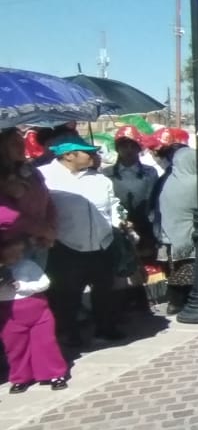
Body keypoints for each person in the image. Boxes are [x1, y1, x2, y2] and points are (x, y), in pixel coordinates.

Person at [39, 133, 123, 345]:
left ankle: (105, 328)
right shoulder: (43, 177)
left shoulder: (100, 178)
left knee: (104, 290)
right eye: (87, 152)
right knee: (68, 295)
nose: (92, 156)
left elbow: (113, 205)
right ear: (69, 155)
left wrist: (119, 220)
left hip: (102, 245)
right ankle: (71, 335)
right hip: (66, 247)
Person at [0, 210, 69, 391]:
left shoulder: (28, 265)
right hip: (10, 314)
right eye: (10, 256)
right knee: (15, 347)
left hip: (37, 311)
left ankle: (54, 374)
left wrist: (22, 286)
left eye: (17, 254)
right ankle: (20, 377)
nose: (14, 259)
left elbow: (44, 283)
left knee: (45, 344)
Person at [155, 143, 198, 315]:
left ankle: (175, 302)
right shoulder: (196, 182)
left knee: (176, 273)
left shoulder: (165, 180)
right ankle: (195, 300)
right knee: (196, 271)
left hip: (169, 236)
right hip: (194, 236)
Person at [0, 126, 58, 262]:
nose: (21, 147)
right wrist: (40, 229)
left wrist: (50, 229)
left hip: (38, 243)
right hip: (11, 250)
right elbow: (3, 214)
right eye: (14, 144)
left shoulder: (31, 171)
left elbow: (47, 200)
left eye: (22, 142)